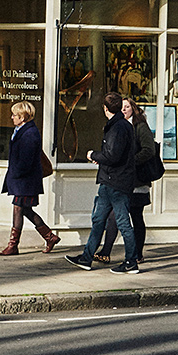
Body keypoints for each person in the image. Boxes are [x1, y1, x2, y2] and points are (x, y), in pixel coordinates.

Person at [66, 93, 141, 274]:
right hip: (109, 181)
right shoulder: (120, 125)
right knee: (98, 220)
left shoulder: (118, 127)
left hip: (116, 183)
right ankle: (86, 257)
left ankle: (131, 262)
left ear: (105, 109)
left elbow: (112, 156)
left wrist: (93, 155)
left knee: (123, 223)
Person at [96, 98, 157, 265]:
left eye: (127, 107)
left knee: (135, 216)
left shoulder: (140, 126)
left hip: (137, 180)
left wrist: (130, 161)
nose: (123, 110)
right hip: (122, 180)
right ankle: (106, 252)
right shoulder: (118, 126)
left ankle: (137, 253)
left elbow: (149, 150)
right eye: (121, 107)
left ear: (133, 109)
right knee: (114, 216)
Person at [0, 101, 59, 256]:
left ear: (23, 117)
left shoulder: (30, 133)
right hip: (23, 180)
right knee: (25, 209)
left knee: (19, 208)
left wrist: (16, 174)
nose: (12, 117)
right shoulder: (21, 130)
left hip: (26, 180)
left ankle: (13, 245)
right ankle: (49, 236)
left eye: (14, 115)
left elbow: (26, 160)